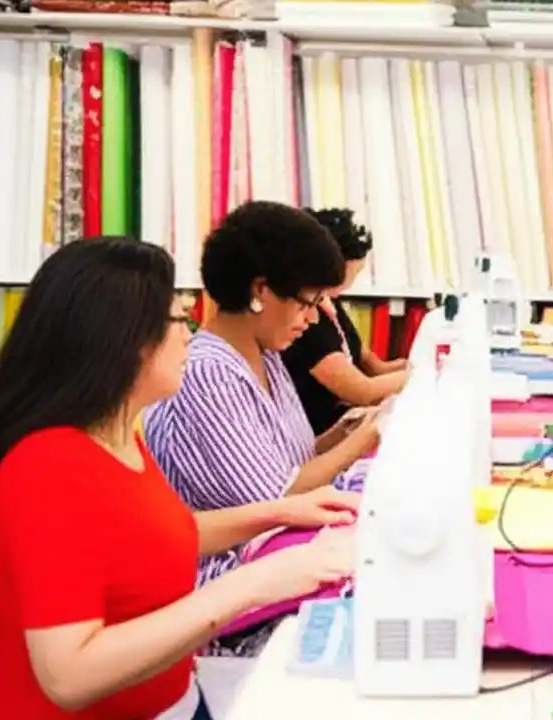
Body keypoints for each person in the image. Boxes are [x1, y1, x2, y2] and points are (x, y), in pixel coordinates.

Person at [0, 238, 357, 719]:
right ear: (124, 339)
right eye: (178, 320)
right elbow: (68, 675)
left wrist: (279, 512)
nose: (190, 336)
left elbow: (152, 539)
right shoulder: (44, 470)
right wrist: (255, 583)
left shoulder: (115, 437)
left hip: (178, 700)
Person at [144, 201, 378, 656]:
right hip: (221, 596)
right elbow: (277, 499)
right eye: (309, 303)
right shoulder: (209, 372)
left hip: (265, 566)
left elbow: (289, 458)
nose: (313, 319)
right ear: (261, 291)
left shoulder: (266, 356)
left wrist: (346, 433)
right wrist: (367, 438)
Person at [281, 207, 410, 435]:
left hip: (345, 423)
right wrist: (418, 376)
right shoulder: (307, 324)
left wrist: (410, 364)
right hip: (321, 433)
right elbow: (361, 391)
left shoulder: (330, 303)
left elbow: (370, 362)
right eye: (356, 269)